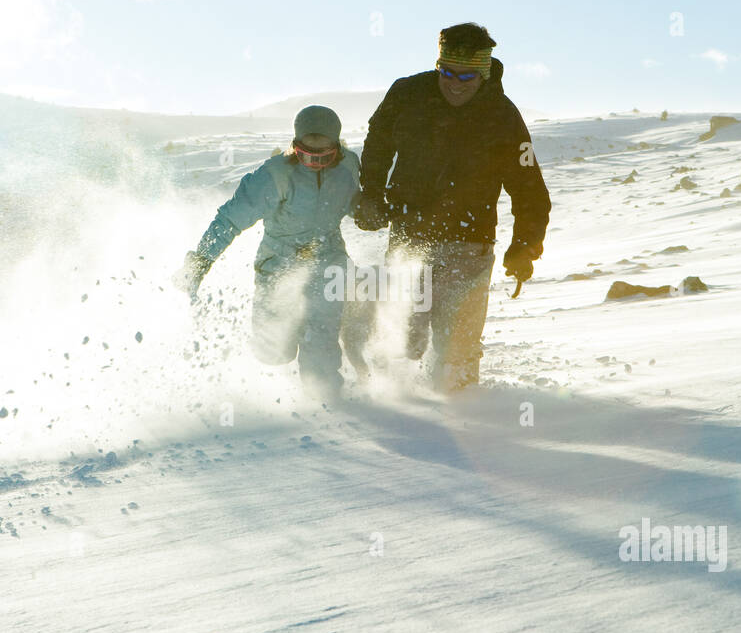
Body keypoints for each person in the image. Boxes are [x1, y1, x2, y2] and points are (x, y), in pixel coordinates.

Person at [353, 22, 551, 391]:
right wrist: (370, 194)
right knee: (402, 340)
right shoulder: (408, 93)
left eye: (467, 76)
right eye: (447, 72)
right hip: (410, 237)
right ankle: (387, 409)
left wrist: (525, 246)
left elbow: (530, 189)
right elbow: (377, 142)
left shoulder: (503, 116)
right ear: (438, 64)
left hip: (470, 244)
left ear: (484, 73)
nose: (455, 83)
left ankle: (462, 420)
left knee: (456, 349)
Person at [175, 105, 360, 401]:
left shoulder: (348, 168)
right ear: (294, 147)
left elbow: (355, 203)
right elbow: (230, 219)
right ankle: (287, 347)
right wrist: (202, 259)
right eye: (305, 155)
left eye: (323, 157)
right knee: (273, 351)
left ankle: (325, 402)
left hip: (329, 262)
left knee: (319, 334)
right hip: (279, 266)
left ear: (336, 148)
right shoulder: (274, 176)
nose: (314, 163)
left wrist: (367, 211)